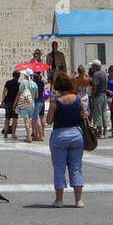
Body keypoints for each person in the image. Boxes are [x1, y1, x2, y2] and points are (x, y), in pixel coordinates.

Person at [46, 70, 86, 207]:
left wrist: (52, 108)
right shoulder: (78, 99)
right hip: (76, 135)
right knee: (76, 167)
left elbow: (49, 121)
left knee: (59, 168)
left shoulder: (55, 102)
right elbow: (84, 116)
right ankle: (78, 200)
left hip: (59, 136)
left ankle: (59, 200)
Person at [89, 59, 109, 138]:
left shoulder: (96, 74)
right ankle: (105, 131)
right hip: (104, 95)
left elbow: (95, 86)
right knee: (104, 113)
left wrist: (92, 96)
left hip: (98, 95)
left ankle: (99, 131)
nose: (91, 68)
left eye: (92, 66)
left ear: (96, 67)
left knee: (98, 113)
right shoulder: (104, 73)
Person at [1, 70, 21, 139]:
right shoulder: (19, 84)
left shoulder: (8, 82)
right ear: (19, 76)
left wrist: (3, 101)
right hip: (15, 103)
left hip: (8, 102)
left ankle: (5, 134)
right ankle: (13, 134)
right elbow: (19, 94)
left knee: (7, 118)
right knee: (15, 118)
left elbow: (4, 92)